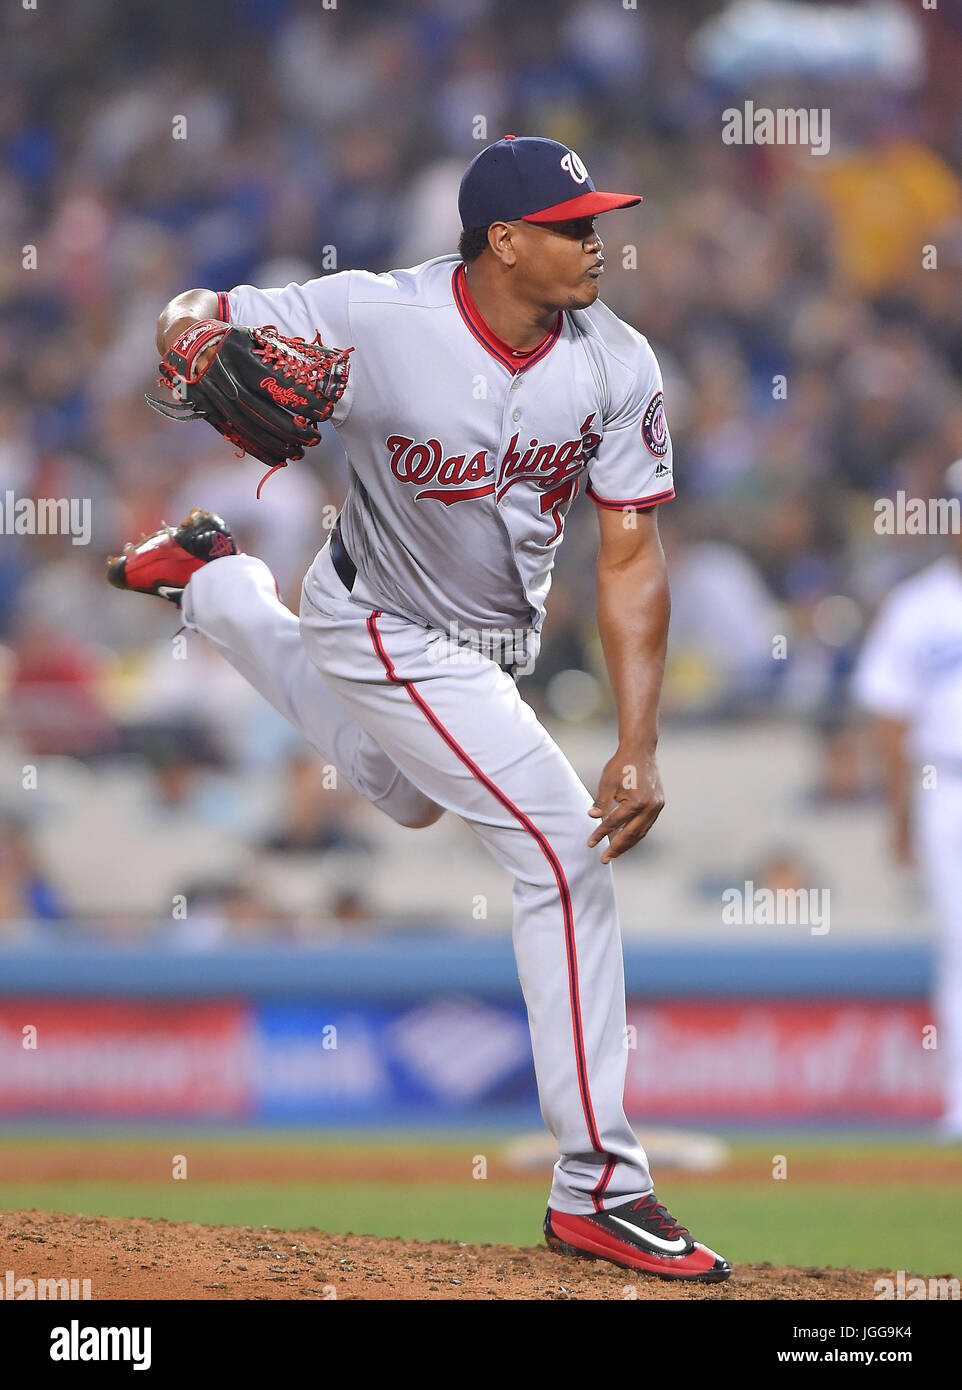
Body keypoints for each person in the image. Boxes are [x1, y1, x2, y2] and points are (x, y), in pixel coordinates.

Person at [108, 136, 730, 1281]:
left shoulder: (616, 363)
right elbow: (193, 306)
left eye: (596, 220)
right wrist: (195, 333)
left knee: (398, 797)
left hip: (486, 646)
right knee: (557, 850)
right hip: (376, 615)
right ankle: (601, 1183)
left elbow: (631, 555)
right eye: (573, 224)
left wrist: (638, 741)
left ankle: (214, 582)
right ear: (504, 240)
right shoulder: (375, 312)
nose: (597, 240)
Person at [852, 460, 962, 1143]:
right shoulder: (919, 604)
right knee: (958, 949)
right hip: (945, 784)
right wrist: (899, 815)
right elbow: (890, 718)